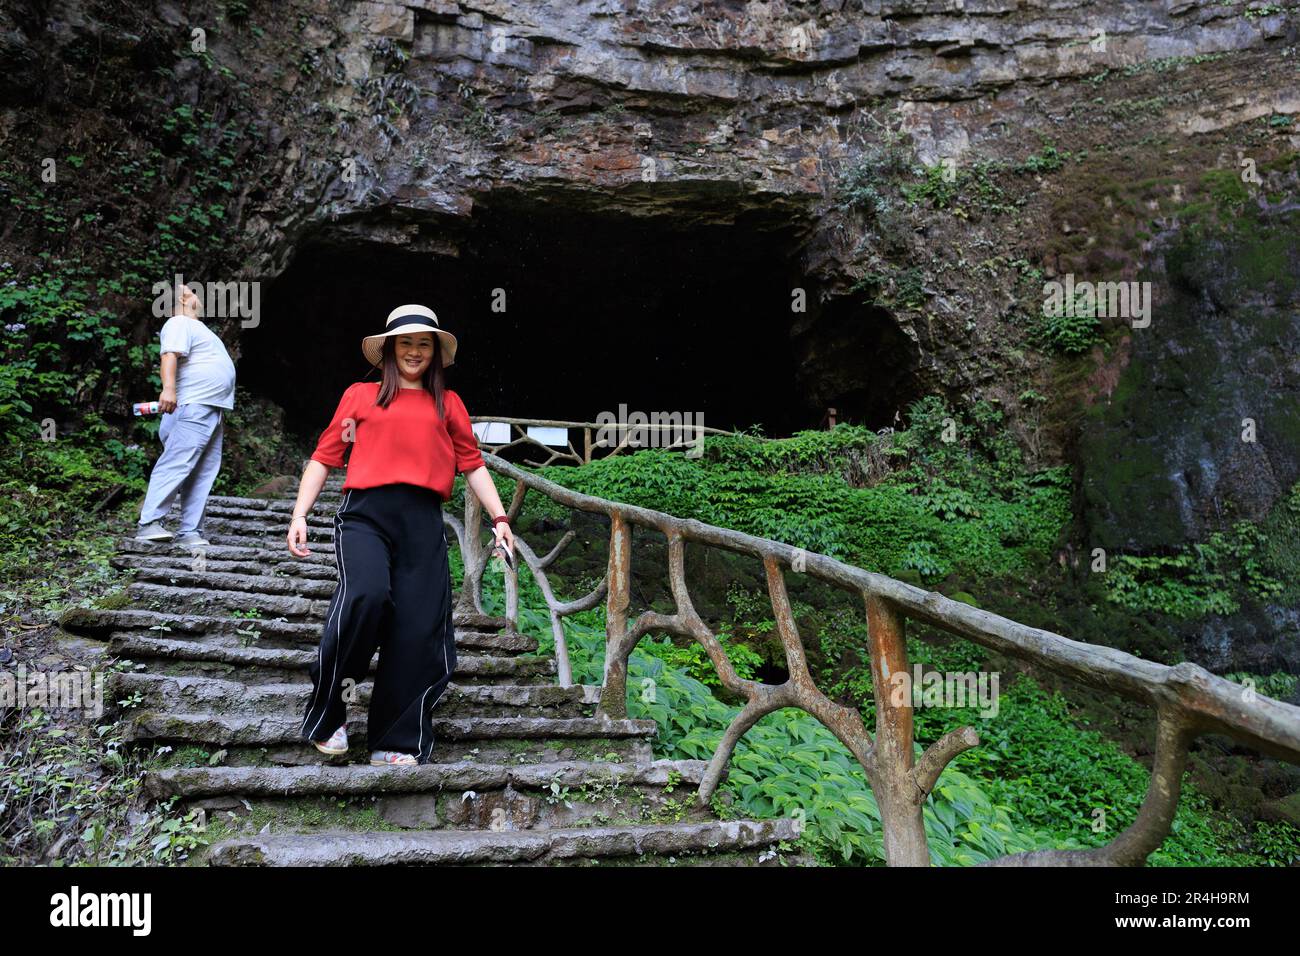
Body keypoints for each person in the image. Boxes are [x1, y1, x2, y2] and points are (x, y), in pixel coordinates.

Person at [290, 303, 514, 766]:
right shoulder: (359, 396)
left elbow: (471, 464)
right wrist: (299, 514)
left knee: (417, 627)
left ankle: (395, 737)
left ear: (434, 351)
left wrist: (500, 519)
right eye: (406, 342)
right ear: (390, 350)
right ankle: (330, 711)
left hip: (423, 520)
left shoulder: (447, 404)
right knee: (366, 596)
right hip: (365, 516)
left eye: (424, 343)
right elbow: (324, 456)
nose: (414, 351)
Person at [135, 284, 236, 547]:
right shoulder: (179, 321)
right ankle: (149, 523)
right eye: (192, 292)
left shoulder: (198, 328)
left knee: (202, 472)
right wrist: (168, 389)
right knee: (178, 461)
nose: (198, 296)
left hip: (212, 408)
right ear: (182, 299)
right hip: (193, 404)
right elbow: (169, 354)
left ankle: (190, 531)